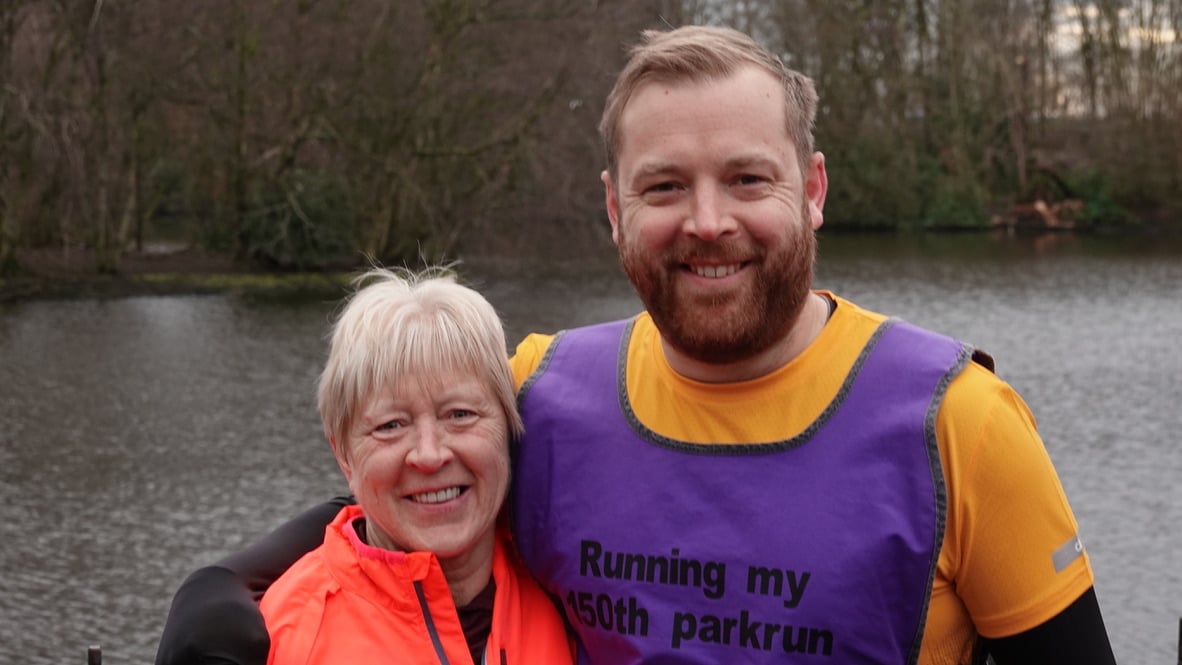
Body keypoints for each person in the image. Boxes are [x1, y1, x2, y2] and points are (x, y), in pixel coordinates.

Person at [155, 25, 1116, 665]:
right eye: (664, 187)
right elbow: (408, 491)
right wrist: (222, 586)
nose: (708, 221)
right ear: (615, 209)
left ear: (814, 189)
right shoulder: (545, 389)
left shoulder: (959, 425)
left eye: (748, 179)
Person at [201, 267, 574, 665]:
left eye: (460, 414)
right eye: (391, 425)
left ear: (509, 428)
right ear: (344, 455)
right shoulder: (288, 639)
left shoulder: (571, 590)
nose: (429, 455)